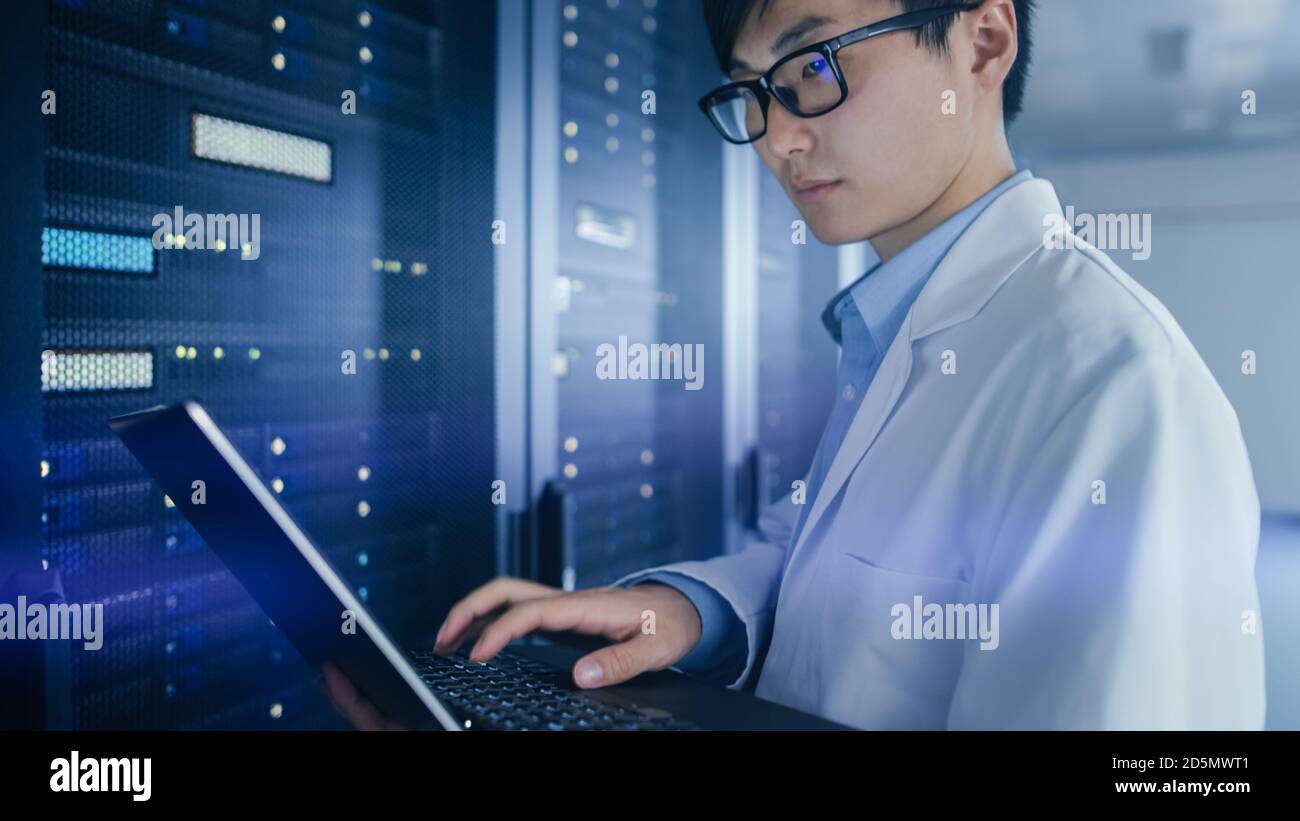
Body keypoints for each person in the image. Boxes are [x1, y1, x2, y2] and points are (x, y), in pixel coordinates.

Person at [324, 0, 1265, 730]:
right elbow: (840, 568)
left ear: (981, 44)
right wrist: (688, 610)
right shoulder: (902, 323)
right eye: (754, 90)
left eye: (813, 67)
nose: (777, 137)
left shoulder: (1115, 386)